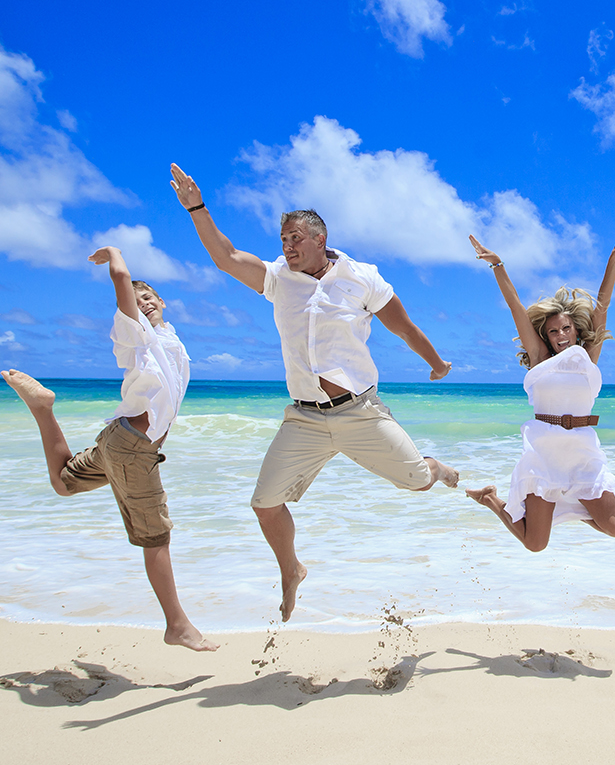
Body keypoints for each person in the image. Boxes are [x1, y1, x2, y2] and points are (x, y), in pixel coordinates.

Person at [169, 163, 459, 621]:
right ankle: (292, 570)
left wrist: (437, 363)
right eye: (282, 240)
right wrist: (197, 208)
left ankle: (435, 467)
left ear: (319, 238)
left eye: (294, 238)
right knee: (264, 503)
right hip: (305, 418)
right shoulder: (277, 278)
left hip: (360, 412)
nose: (286, 247)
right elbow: (225, 257)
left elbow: (403, 327)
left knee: (417, 483)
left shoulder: (361, 278)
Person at [1, 246, 216, 651]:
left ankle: (43, 409)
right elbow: (121, 283)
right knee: (155, 538)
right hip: (133, 449)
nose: (143, 304)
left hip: (122, 441)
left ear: (163, 302)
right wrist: (116, 256)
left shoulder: (168, 337)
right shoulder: (136, 336)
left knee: (64, 484)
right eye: (136, 302)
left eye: (149, 297)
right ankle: (178, 625)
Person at [463, 227, 615, 552]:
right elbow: (515, 308)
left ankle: (571, 505)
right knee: (535, 544)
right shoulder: (540, 359)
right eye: (554, 331)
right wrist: (498, 265)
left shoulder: (587, 358)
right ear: (547, 336)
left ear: (575, 330)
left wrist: (613, 261)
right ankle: (491, 500)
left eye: (566, 328)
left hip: (582, 452)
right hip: (545, 451)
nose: (561, 335)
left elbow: (602, 307)